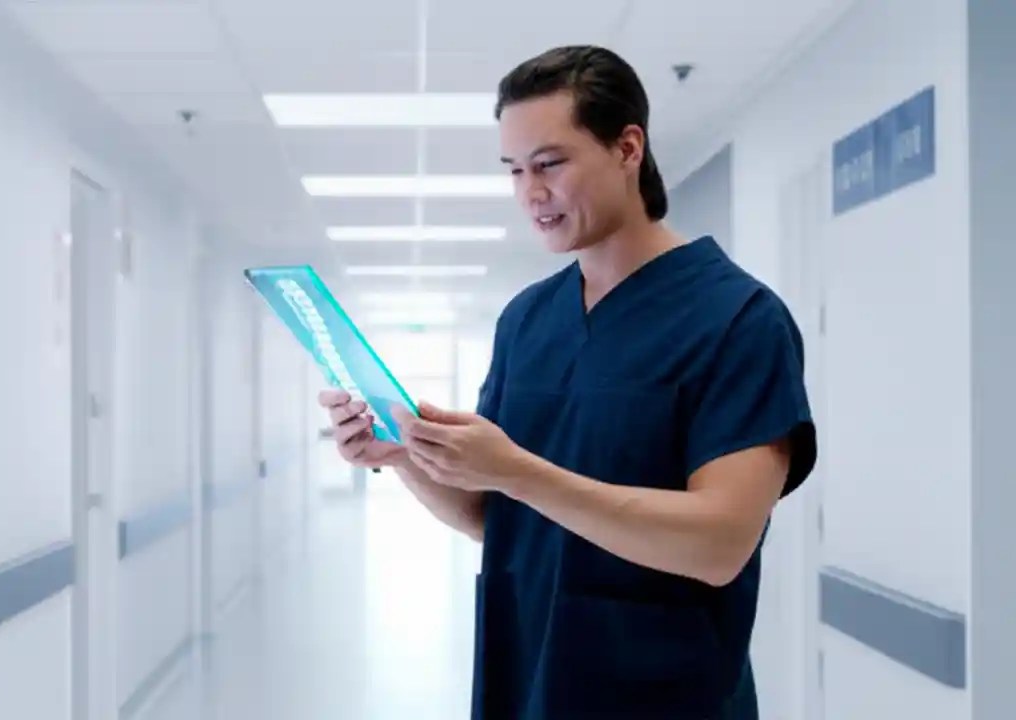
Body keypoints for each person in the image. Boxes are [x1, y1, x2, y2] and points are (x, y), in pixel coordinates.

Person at [318, 45, 817, 720]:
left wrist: (517, 470)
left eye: (550, 164)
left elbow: (720, 542)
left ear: (627, 147)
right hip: (525, 686)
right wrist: (407, 454)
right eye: (516, 170)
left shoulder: (738, 320)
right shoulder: (527, 320)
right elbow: (497, 519)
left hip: (666, 697)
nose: (531, 192)